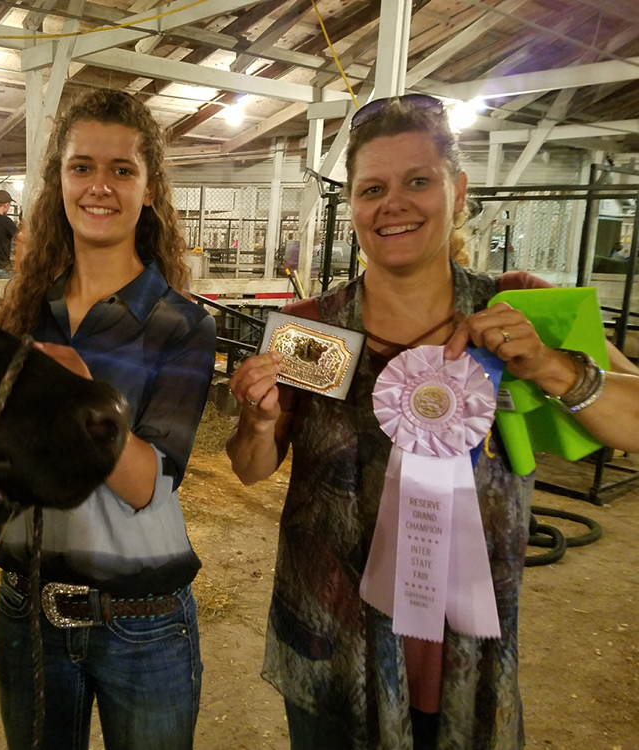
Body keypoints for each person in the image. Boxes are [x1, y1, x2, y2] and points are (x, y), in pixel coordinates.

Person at [225, 94, 639, 750]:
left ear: (458, 189)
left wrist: (555, 366)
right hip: (334, 652)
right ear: (355, 208)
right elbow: (251, 470)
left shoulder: (521, 306)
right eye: (372, 189)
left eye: (418, 181)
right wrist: (256, 422)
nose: (394, 204)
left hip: (470, 658)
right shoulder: (313, 331)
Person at [0, 89, 217, 750]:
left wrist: (78, 391)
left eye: (122, 170)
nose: (100, 186)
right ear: (59, 182)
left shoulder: (180, 323)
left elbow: (146, 484)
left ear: (149, 190)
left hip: (141, 621)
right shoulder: (29, 312)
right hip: (27, 609)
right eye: (81, 167)